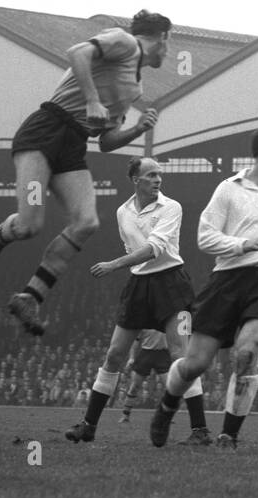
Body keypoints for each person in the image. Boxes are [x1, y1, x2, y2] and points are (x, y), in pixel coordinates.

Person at [0, 11, 170, 335]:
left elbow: (106, 141)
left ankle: (30, 297)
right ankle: (1, 235)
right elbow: (77, 53)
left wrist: (136, 129)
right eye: (168, 44)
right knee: (29, 224)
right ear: (162, 37)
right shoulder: (123, 42)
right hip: (44, 133)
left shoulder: (134, 88)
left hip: (73, 146)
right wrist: (92, 99)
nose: (167, 52)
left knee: (87, 222)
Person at [146, 125, 258, 449]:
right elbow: (205, 237)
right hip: (227, 279)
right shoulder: (229, 189)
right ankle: (167, 406)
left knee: (247, 352)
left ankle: (228, 435)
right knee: (196, 363)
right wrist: (244, 244)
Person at [65, 157, 207, 444]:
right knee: (114, 354)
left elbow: (153, 249)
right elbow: (135, 250)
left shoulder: (171, 207)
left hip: (173, 286)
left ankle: (200, 430)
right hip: (139, 287)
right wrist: (124, 266)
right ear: (136, 180)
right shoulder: (122, 212)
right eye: (151, 175)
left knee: (182, 355)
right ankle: (88, 425)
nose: (158, 180)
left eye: (160, 175)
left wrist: (113, 265)